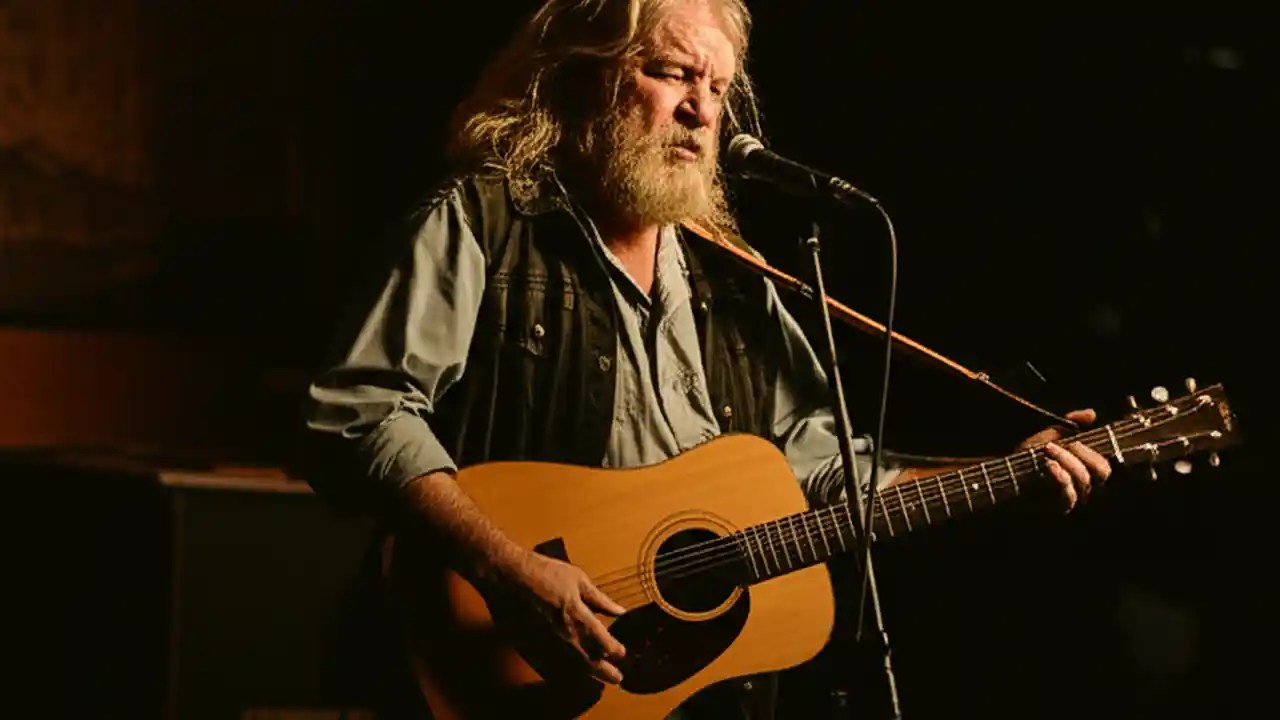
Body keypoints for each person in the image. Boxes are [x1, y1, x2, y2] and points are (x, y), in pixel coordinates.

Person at [298, 0, 1112, 717]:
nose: (701, 111)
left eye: (718, 89)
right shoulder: (484, 224)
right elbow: (360, 413)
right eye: (673, 74)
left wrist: (1006, 473)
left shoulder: (734, 279)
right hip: (498, 673)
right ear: (581, 75)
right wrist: (509, 571)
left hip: (688, 692)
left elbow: (823, 470)